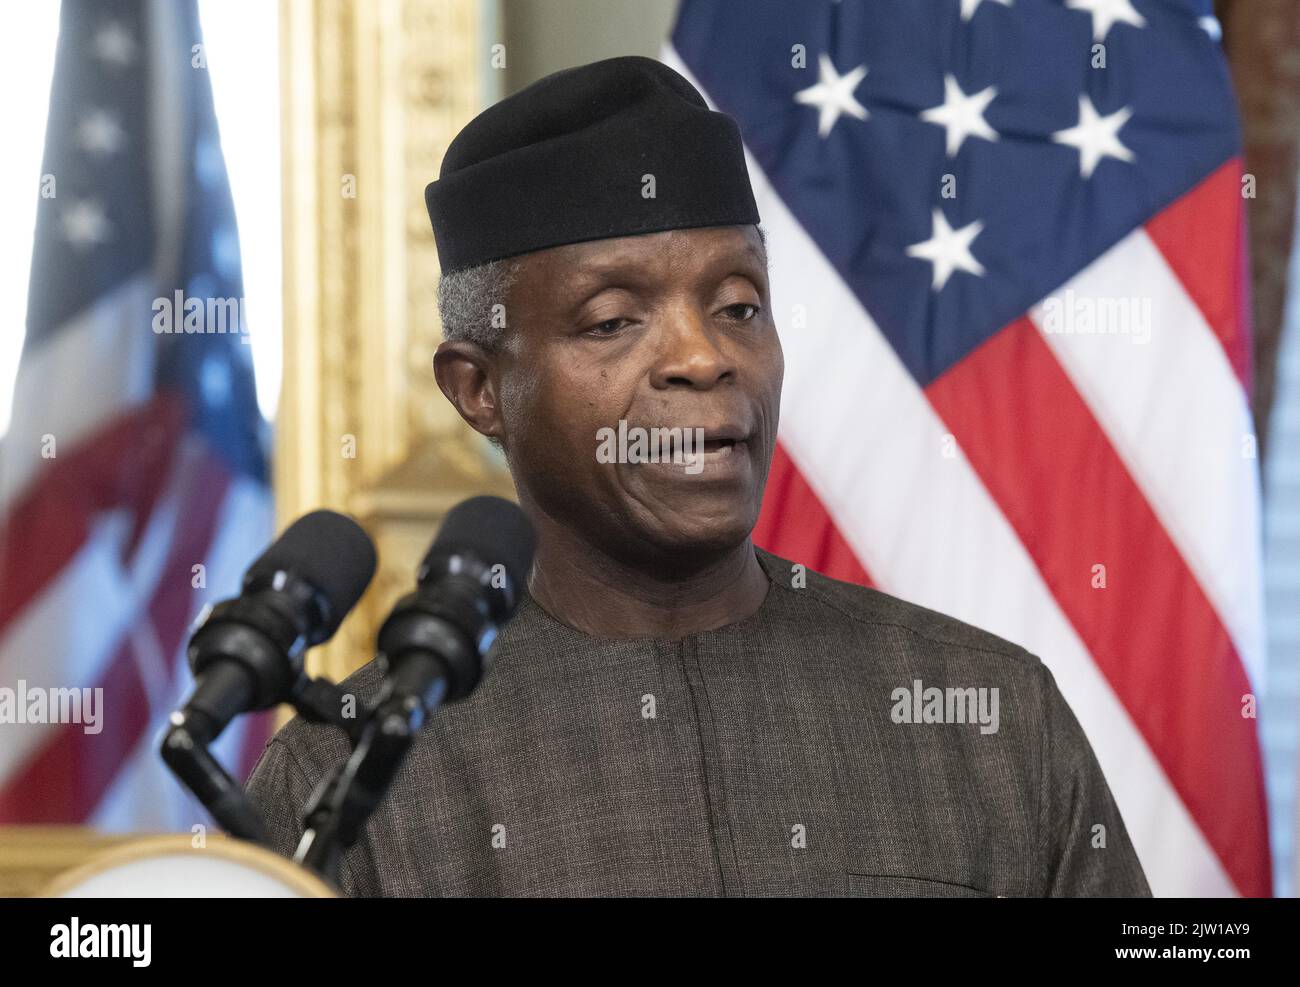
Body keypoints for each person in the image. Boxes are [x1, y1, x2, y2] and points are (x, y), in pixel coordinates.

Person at [246, 55, 1150, 897]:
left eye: (738, 306)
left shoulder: (992, 716)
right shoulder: (351, 774)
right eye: (611, 321)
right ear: (480, 389)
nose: (704, 357)